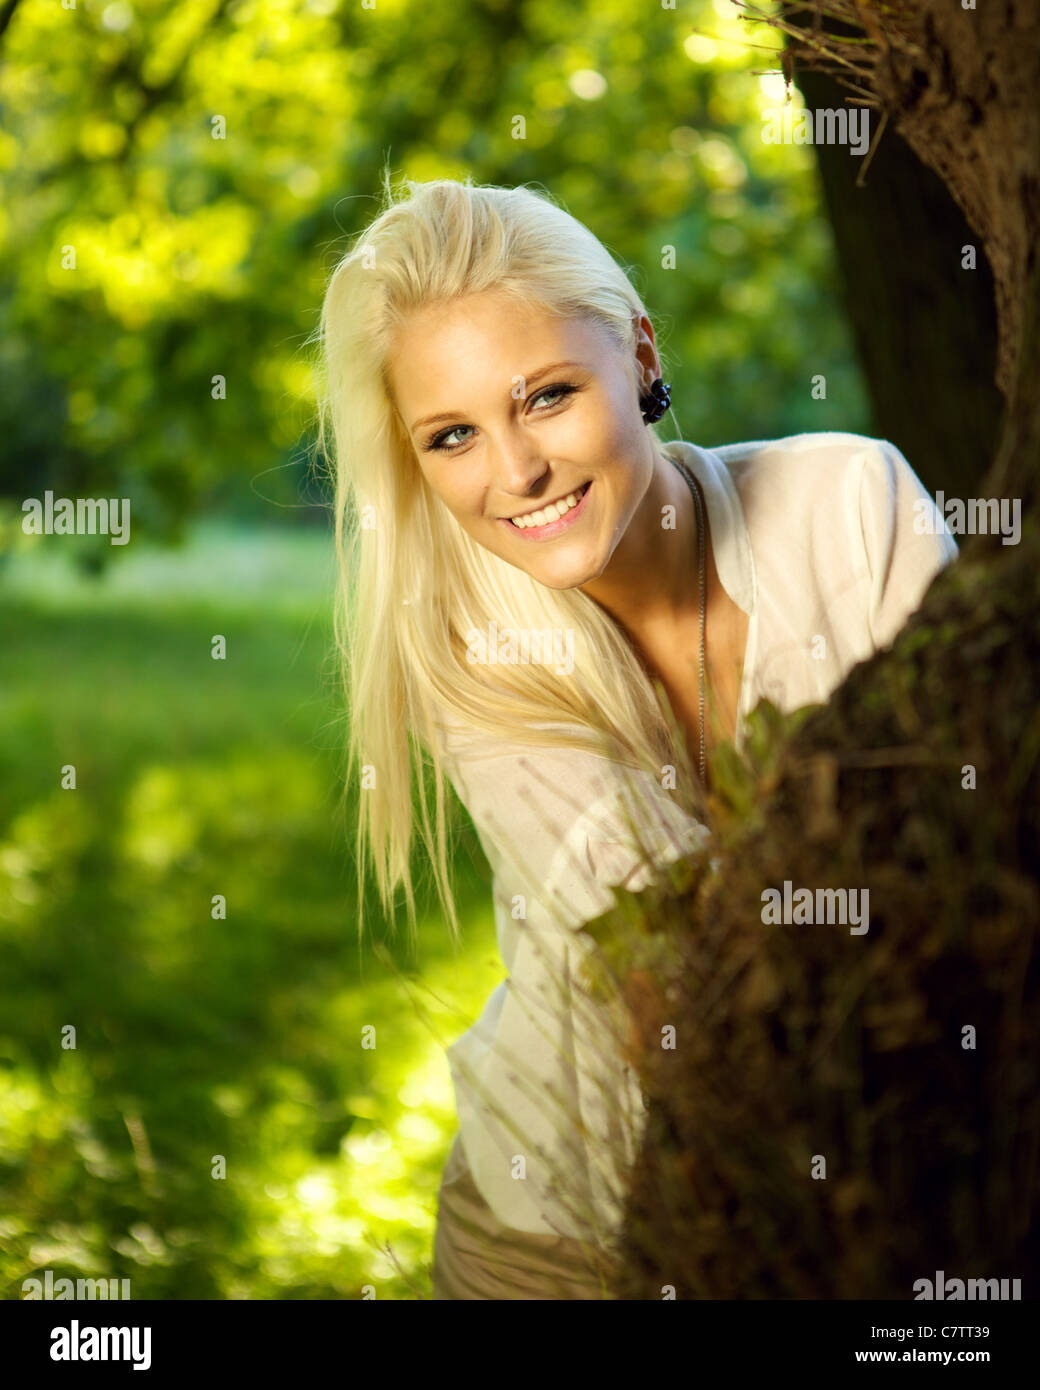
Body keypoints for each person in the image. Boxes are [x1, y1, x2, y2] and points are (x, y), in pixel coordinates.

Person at [312, 174, 959, 1299]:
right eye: (451, 435)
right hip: (561, 1242)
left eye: (548, 395)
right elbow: (680, 989)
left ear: (641, 356)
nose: (515, 473)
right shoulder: (467, 656)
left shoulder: (852, 502)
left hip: (892, 1200)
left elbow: (973, 840)